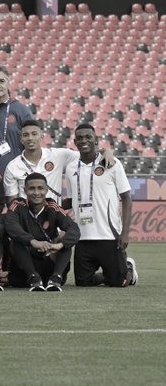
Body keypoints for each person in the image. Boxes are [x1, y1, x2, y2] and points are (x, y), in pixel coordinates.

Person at [62, 123, 136, 287]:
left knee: (120, 282)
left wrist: (125, 233)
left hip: (108, 235)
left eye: (88, 137)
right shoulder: (71, 167)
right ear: (75, 142)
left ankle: (127, 267)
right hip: (83, 237)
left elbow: (126, 198)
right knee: (82, 282)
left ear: (96, 140)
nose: (84, 140)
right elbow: (73, 198)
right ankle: (109, 273)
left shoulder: (111, 162)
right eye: (80, 138)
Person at [5, 173, 80, 291]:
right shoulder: (17, 204)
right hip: (24, 272)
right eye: (31, 189)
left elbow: (74, 229)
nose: (36, 193)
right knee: (16, 241)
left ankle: (56, 278)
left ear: (46, 189)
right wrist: (33, 241)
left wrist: (59, 245)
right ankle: (33, 277)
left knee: (64, 241)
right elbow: (10, 226)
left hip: (48, 260)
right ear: (25, 190)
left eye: (40, 188)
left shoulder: (52, 206)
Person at [3, 119, 79, 203]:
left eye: (34, 134)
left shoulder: (58, 156)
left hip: (53, 214)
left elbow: (87, 156)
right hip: (27, 214)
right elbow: (13, 202)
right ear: (21, 139)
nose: (30, 138)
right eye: (26, 135)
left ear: (42, 137)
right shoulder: (13, 167)